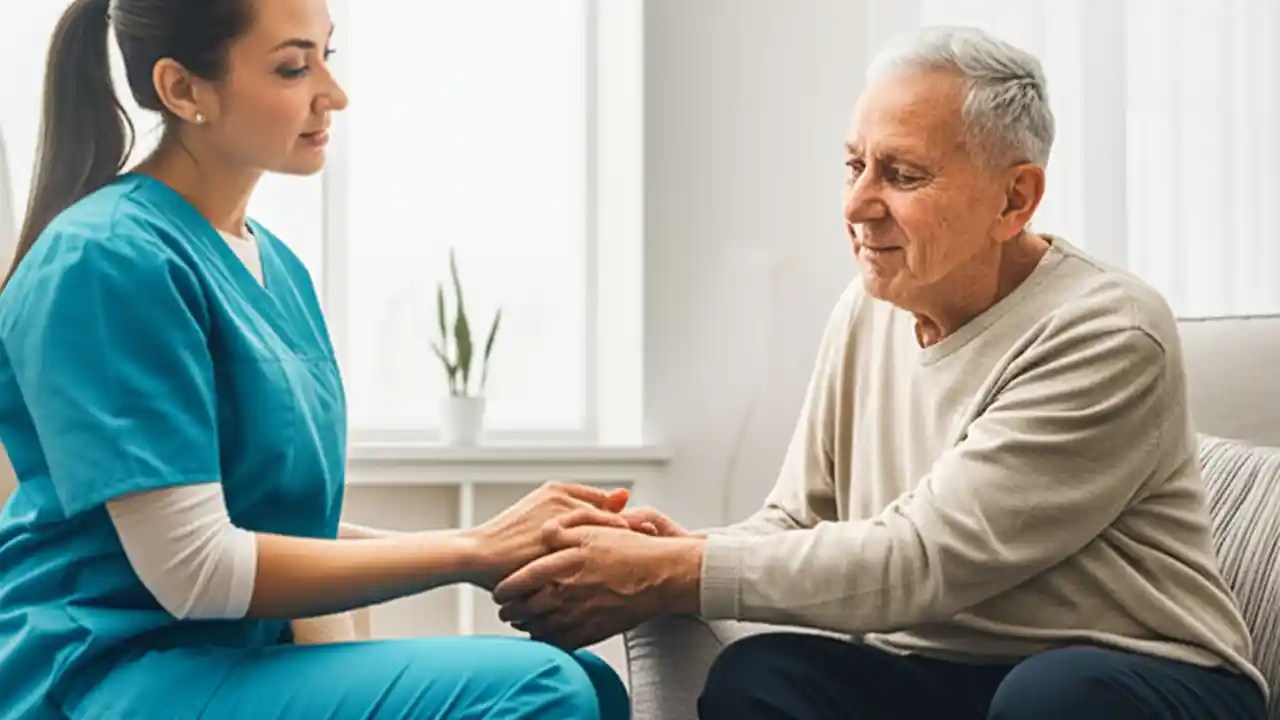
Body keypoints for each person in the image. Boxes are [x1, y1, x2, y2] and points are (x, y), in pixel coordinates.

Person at [490, 26, 1270, 720]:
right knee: (758, 678)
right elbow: (799, 522)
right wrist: (676, 546)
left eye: (901, 174)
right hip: (944, 669)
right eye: (854, 164)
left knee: (1053, 698)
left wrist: (678, 570)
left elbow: (924, 558)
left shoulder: (1107, 331)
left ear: (1015, 198)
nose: (858, 204)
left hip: (1138, 676)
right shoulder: (868, 307)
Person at [0, 1, 633, 718]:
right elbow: (196, 569)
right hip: (103, 676)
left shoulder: (275, 267)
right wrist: (470, 550)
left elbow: (268, 522)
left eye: (328, 57)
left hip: (224, 663)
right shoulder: (107, 258)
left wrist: (513, 549)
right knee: (542, 691)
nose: (334, 93)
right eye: (294, 66)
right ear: (183, 90)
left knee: (590, 682)